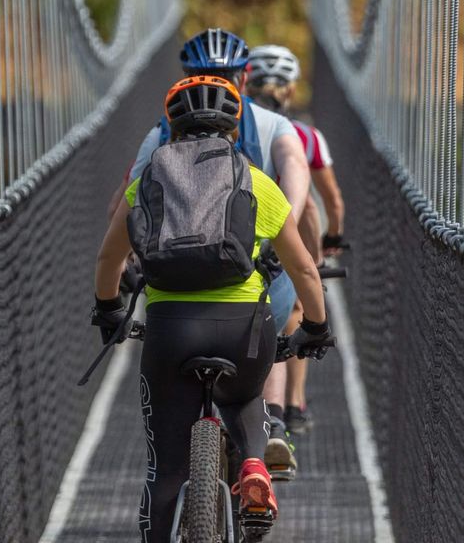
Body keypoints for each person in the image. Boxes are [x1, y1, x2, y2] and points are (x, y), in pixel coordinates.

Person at [92, 75, 334, 542]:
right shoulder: (257, 182)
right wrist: (317, 328)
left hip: (170, 334)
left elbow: (109, 258)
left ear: (172, 127)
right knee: (246, 397)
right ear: (233, 129)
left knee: (164, 472)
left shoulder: (146, 181)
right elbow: (304, 267)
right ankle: (254, 466)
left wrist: (108, 308)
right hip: (243, 332)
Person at [105, 29, 311, 471]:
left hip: (171, 300)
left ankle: (176, 485)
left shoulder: (158, 135)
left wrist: (118, 276)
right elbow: (296, 183)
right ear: (245, 77)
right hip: (253, 283)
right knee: (270, 329)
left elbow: (120, 208)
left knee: (167, 442)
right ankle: (270, 432)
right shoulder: (276, 131)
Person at [246, 44, 347, 434]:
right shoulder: (305, 136)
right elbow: (326, 203)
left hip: (234, 244)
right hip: (288, 247)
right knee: (297, 316)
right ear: (289, 89)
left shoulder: (235, 126)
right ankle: (293, 407)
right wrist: (329, 241)